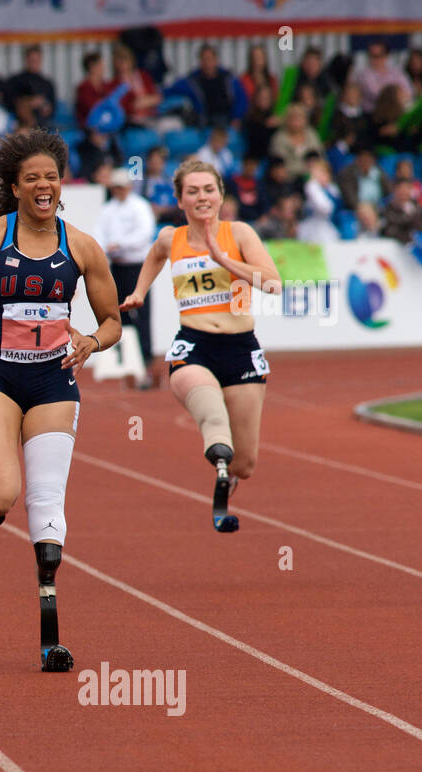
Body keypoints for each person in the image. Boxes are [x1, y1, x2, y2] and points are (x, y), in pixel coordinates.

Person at [0, 129, 123, 673]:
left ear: (62, 185)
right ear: (15, 186)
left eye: (51, 177)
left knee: (46, 501)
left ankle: (49, 626)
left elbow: (112, 321)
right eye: (32, 178)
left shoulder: (81, 247)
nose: (43, 185)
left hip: (53, 383)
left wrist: (90, 340)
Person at [122, 158, 281, 533]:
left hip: (240, 348)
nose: (201, 197)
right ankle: (219, 458)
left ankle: (231, 469)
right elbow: (154, 257)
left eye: (208, 190)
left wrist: (223, 260)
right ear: (180, 200)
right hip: (193, 344)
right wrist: (139, 292)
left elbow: (273, 284)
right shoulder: (169, 239)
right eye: (192, 191)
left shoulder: (239, 234)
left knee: (247, 464)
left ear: (221, 195)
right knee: (211, 412)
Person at [95, 167, 158, 388]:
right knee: (121, 310)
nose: (118, 191)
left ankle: (146, 355)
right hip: (118, 266)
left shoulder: (139, 206)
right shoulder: (108, 209)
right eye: (115, 187)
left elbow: (145, 233)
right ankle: (127, 355)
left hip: (137, 265)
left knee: (142, 311)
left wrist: (120, 244)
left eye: (121, 187)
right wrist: (107, 248)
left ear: (129, 187)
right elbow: (99, 234)